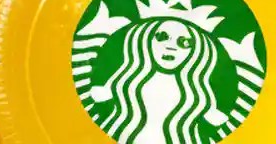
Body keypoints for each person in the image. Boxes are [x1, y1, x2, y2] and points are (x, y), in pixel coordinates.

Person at [88, 18, 230, 144]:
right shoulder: (125, 79)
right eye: (162, 37)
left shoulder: (199, 93)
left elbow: (217, 119)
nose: (170, 46)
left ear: (195, 51)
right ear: (145, 41)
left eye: (184, 42)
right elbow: (97, 96)